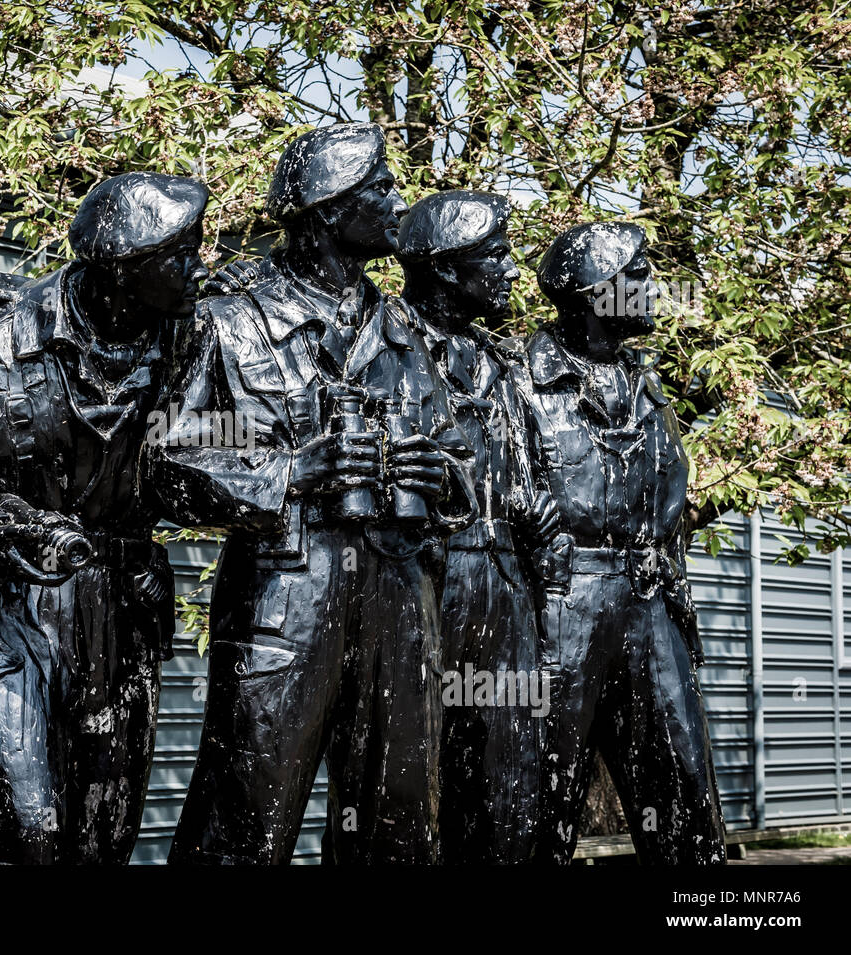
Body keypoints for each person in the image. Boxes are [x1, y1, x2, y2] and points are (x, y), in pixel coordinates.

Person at [156, 123, 473, 864]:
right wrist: (294, 470)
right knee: (244, 816)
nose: (398, 200)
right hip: (283, 598)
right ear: (330, 209)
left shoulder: (402, 330)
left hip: (400, 599)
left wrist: (442, 477)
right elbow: (169, 459)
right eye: (381, 187)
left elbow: (460, 463)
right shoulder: (232, 322)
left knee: (400, 826)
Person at [0, 172, 209, 863]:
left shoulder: (190, 348)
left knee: (105, 835)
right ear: (126, 271)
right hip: (10, 613)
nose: (199, 267)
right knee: (24, 831)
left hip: (122, 612)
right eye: (181, 254)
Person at [508, 221, 726, 864]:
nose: (653, 288)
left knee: (683, 781)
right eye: (638, 276)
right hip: (559, 605)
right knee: (541, 797)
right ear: (597, 291)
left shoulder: (650, 388)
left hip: (651, 600)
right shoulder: (518, 382)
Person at [396, 190, 557, 863]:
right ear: (445, 269)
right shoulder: (388, 342)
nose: (515, 270)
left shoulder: (503, 362)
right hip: (425, 577)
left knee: (508, 776)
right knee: (407, 780)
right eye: (496, 256)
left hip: (505, 579)